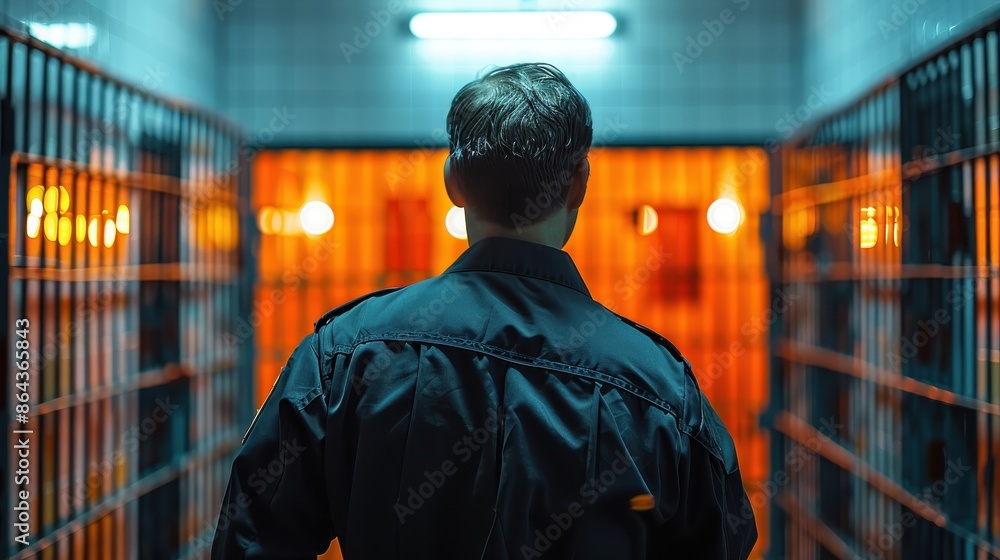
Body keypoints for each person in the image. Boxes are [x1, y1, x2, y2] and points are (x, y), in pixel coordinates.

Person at [212, 62, 757, 559]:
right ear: (578, 184)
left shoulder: (345, 357)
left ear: (453, 182)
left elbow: (250, 537)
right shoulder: (659, 390)